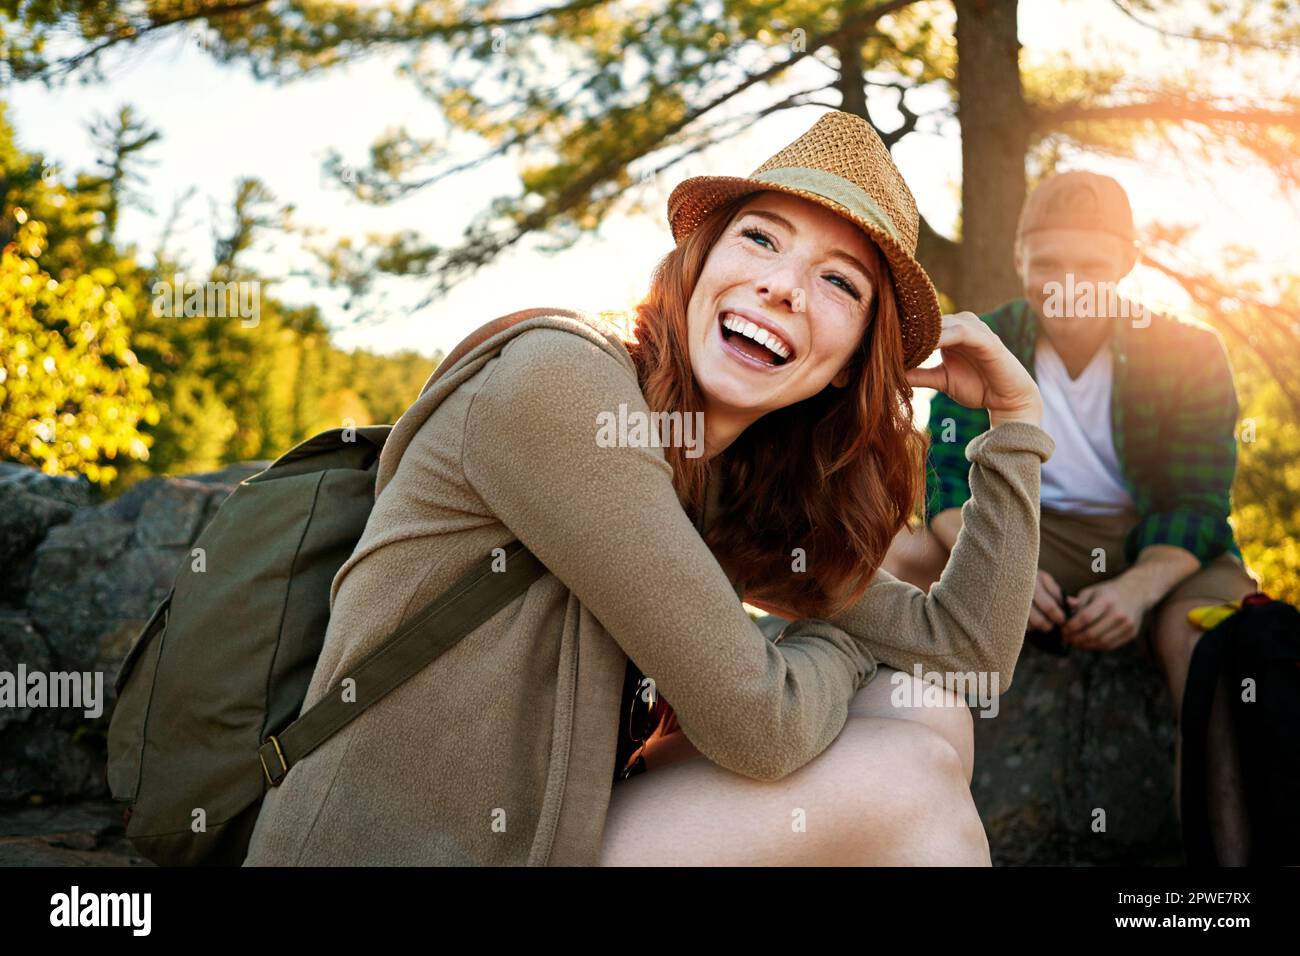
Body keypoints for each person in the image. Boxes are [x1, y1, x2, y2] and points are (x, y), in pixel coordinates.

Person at [243, 110, 1054, 868]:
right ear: (697, 263)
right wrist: (835, 638)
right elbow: (762, 726)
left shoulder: (725, 479)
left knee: (926, 707)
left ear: (851, 362)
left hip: (552, 820)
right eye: (761, 238)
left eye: (840, 282)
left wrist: (1014, 427)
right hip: (409, 848)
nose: (784, 287)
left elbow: (967, 651)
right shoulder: (561, 387)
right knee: (904, 777)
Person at [886, 170, 1259, 864]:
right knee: (897, 565)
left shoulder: (1189, 350)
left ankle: (1229, 870)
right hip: (1027, 530)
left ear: (1125, 263)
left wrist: (1138, 590)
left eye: (1090, 264)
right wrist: (1002, 572)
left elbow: (1198, 505)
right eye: (1048, 262)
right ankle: (891, 811)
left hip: (1152, 545)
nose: (1067, 282)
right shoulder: (984, 338)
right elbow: (944, 484)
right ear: (1021, 259)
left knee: (1215, 638)